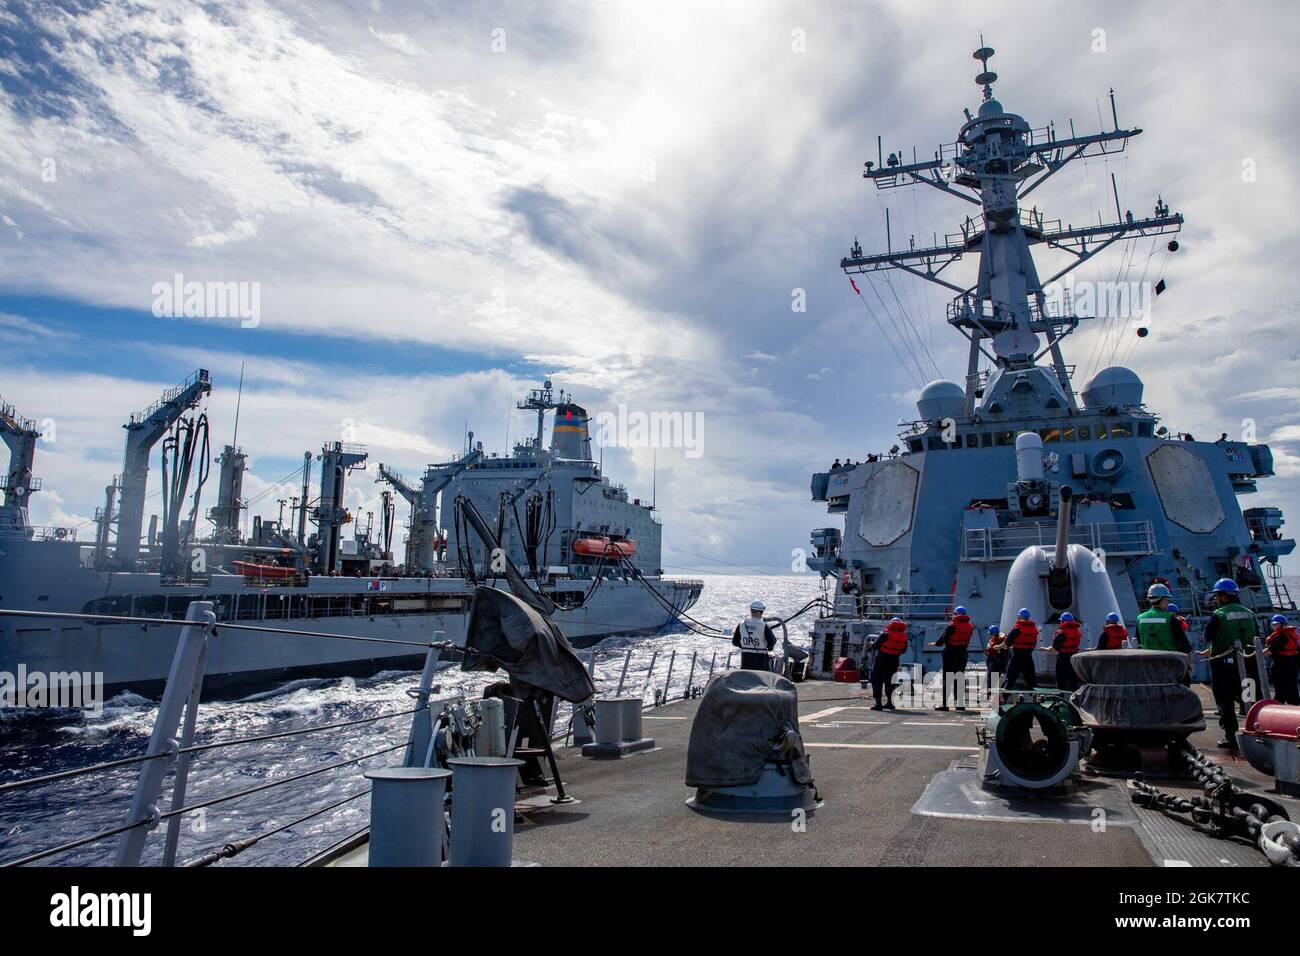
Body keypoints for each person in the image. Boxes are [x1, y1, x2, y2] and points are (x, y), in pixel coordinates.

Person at [1196, 578, 1256, 750]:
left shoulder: (1219, 615)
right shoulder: (1249, 613)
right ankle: (1255, 732)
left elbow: (1207, 636)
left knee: (1225, 699)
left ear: (1223, 596)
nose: (1216, 599)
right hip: (1249, 662)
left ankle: (1230, 736)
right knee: (1250, 697)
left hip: (1224, 665)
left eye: (1217, 596)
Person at [1136, 583, 1192, 682]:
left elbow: (1138, 642)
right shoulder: (1171, 618)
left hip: (1149, 668)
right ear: (1163, 601)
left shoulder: (1140, 618)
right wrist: (1188, 664)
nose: (1168, 603)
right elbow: (1185, 646)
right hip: (1170, 667)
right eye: (1167, 600)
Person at [930, 605, 973, 711]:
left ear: (956, 614)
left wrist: (935, 643)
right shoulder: (970, 626)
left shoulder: (952, 626)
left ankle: (945, 704)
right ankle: (960, 704)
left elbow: (941, 641)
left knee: (948, 678)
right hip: (962, 654)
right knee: (959, 678)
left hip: (950, 654)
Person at [870, 617, 909, 711]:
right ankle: (890, 703)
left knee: (877, 680)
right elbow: (903, 650)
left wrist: (871, 644)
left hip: (881, 660)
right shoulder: (904, 637)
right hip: (894, 661)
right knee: (890, 682)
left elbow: (876, 646)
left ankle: (878, 703)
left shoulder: (885, 634)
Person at [1264, 614, 1300, 706]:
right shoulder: (1292, 635)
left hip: (1280, 664)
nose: (1274, 626)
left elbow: (1269, 651)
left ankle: (1279, 704)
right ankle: (1294, 704)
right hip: (1292, 663)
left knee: (1280, 687)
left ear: (1282, 624)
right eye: (1273, 624)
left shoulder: (1280, 636)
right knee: (1292, 686)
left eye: (1276, 624)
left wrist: (1257, 653)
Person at [732, 599, 777, 671]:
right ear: (761, 612)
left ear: (751, 610)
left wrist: (744, 646)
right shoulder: (763, 625)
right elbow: (772, 641)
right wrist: (769, 648)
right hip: (760, 662)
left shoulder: (742, 624)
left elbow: (735, 642)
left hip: (745, 660)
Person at [1003, 608, 1039, 692]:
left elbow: (1006, 643)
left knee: (1010, 680)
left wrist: (997, 647)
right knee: (1031, 681)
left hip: (1017, 657)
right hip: (1028, 657)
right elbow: (1034, 644)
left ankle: (1002, 700)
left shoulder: (1016, 629)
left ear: (1019, 616)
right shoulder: (1034, 629)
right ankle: (1036, 701)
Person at [1049, 612, 1083, 692]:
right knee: (1073, 677)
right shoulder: (1077, 632)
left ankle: (1062, 695)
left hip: (1063, 657)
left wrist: (1045, 649)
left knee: (1061, 678)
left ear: (1062, 621)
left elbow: (1055, 647)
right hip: (1073, 657)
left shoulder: (1061, 633)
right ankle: (1075, 695)